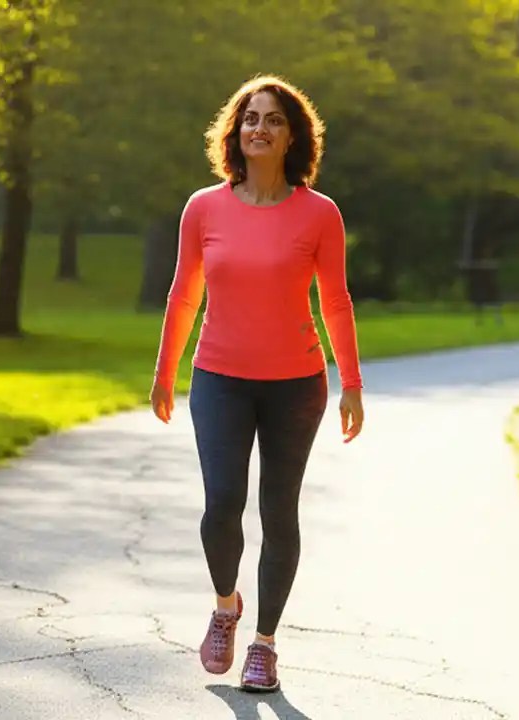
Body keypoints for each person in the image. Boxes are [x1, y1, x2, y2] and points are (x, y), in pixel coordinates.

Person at [149, 75, 365, 693]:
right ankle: (225, 606)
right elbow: (184, 292)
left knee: (278, 511)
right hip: (219, 377)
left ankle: (265, 645)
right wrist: (165, 372)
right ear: (235, 133)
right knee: (222, 506)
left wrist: (350, 382)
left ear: (292, 134)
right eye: (249, 118)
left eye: (272, 119)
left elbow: (337, 302)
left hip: (296, 385)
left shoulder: (319, 214)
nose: (259, 128)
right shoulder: (204, 207)